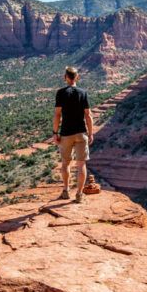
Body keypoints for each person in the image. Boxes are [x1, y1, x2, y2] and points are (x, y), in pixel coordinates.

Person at [53, 66, 94, 202]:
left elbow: (57, 114)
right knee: (81, 164)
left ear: (65, 77)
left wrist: (55, 132)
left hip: (66, 133)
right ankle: (79, 195)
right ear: (77, 77)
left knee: (65, 163)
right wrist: (91, 133)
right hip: (81, 133)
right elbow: (88, 115)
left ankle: (65, 191)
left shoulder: (60, 93)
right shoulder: (83, 93)